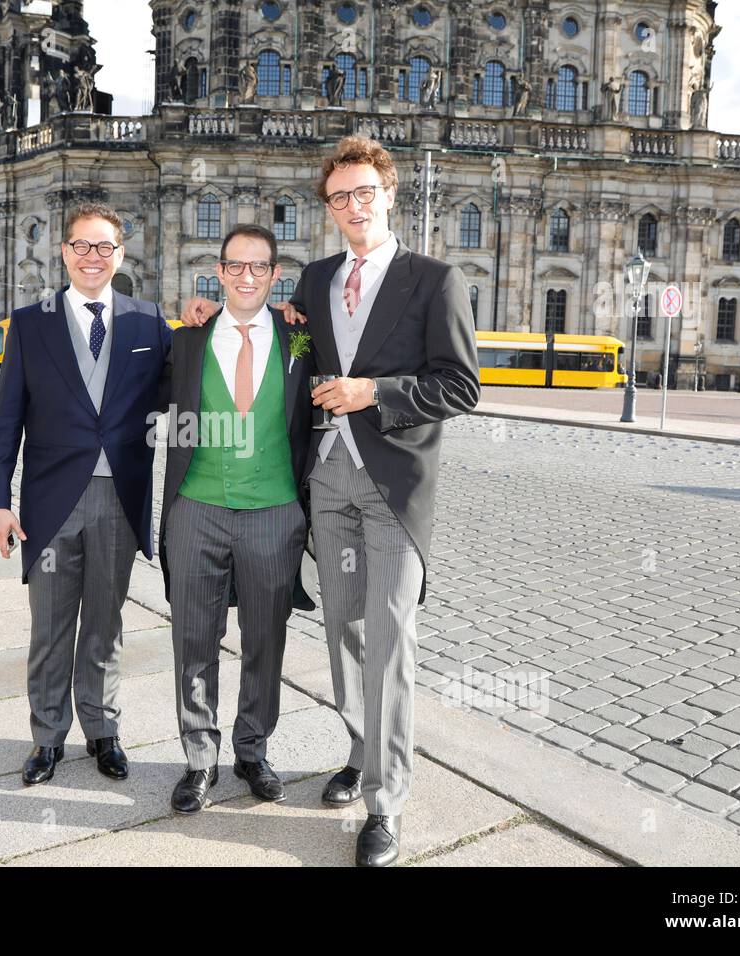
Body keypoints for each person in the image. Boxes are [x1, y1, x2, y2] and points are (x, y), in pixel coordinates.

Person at [182, 136, 480, 866]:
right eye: (340, 197)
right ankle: (360, 751)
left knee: (388, 642)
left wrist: (373, 393)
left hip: (393, 487)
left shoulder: (434, 280)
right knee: (343, 636)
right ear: (330, 206)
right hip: (327, 483)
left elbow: (460, 386)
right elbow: (291, 346)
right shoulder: (315, 281)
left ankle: (387, 803)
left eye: (364, 193)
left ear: (389, 194)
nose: (353, 206)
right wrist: (213, 315)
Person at [0, 202, 173, 787]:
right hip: (51, 503)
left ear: (120, 254)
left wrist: (218, 322)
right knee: (51, 628)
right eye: (82, 247)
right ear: (64, 252)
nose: (93, 258)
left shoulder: (148, 321)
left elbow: (184, 385)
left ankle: (102, 730)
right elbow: (7, 417)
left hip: (120, 498)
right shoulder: (31, 322)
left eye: (105, 248)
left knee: (106, 626)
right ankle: (46, 739)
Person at [159, 223, 314, 814]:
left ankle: (252, 750)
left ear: (276, 276)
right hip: (196, 510)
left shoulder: (299, 339)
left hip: (275, 513)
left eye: (259, 267)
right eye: (234, 266)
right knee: (194, 638)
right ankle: (200, 760)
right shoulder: (189, 340)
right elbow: (150, 404)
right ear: (219, 272)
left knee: (265, 642)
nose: (246, 276)